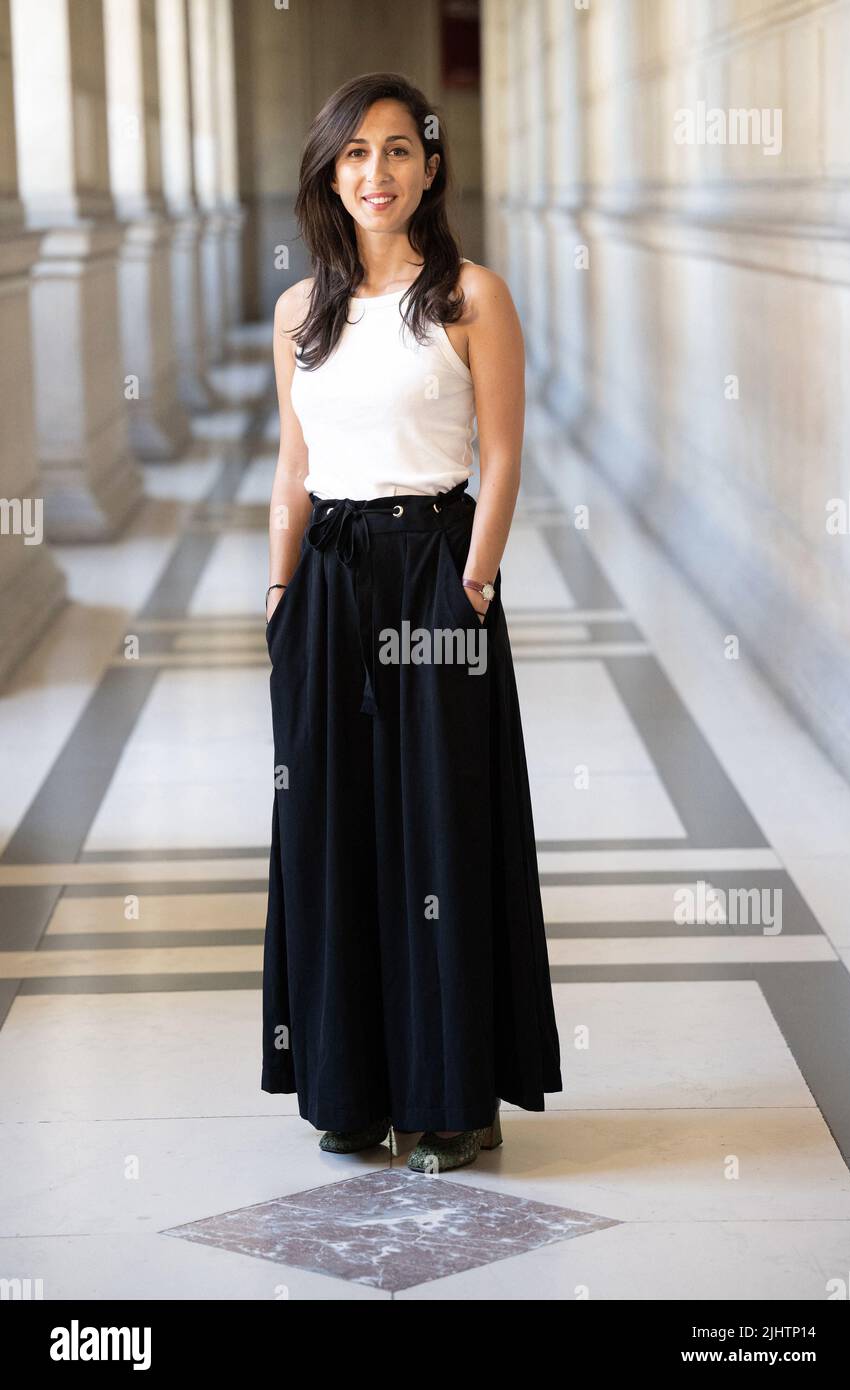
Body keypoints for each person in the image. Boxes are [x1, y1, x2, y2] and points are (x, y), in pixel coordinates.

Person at [261, 72, 561, 1174]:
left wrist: (470, 588)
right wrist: (281, 597)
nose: (374, 173)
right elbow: (292, 468)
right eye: (353, 155)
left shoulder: (471, 295)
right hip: (330, 581)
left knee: (441, 824)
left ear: (430, 167)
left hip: (433, 568)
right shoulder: (300, 310)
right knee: (330, 828)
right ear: (328, 175)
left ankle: (447, 1099)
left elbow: (502, 453)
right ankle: (346, 1088)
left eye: (396, 151)